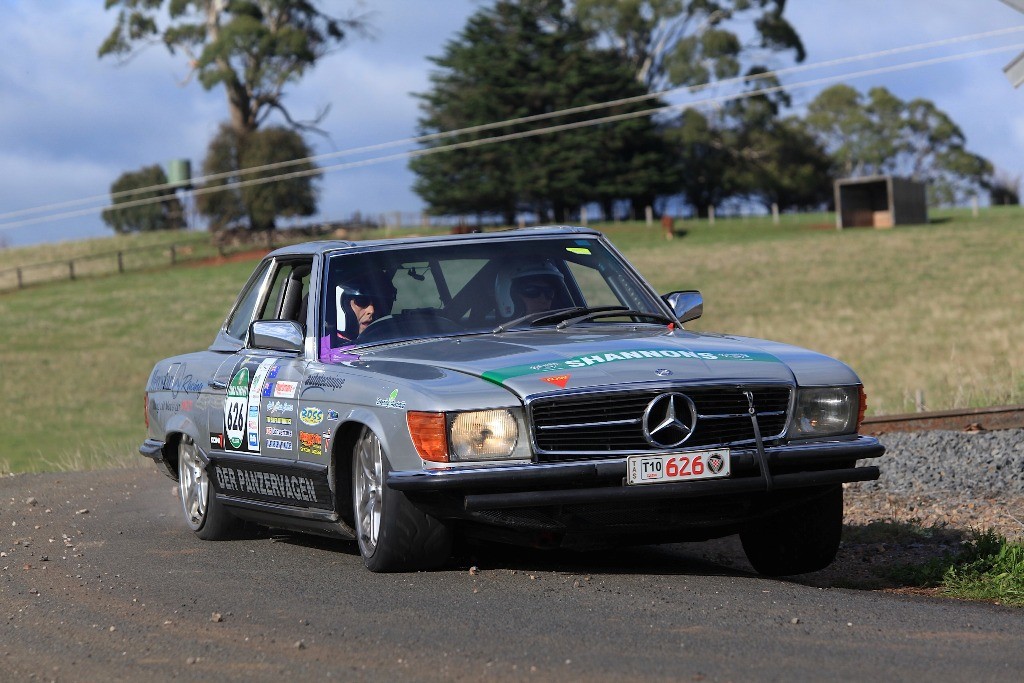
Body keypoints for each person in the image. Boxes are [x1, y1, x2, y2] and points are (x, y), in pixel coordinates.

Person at [319, 270, 395, 360]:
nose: (371, 310)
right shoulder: (324, 349)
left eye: (378, 302)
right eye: (362, 301)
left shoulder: (395, 339)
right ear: (341, 304)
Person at [495, 259, 567, 319]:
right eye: (532, 291)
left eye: (549, 292)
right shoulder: (495, 334)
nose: (543, 300)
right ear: (511, 295)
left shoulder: (564, 329)